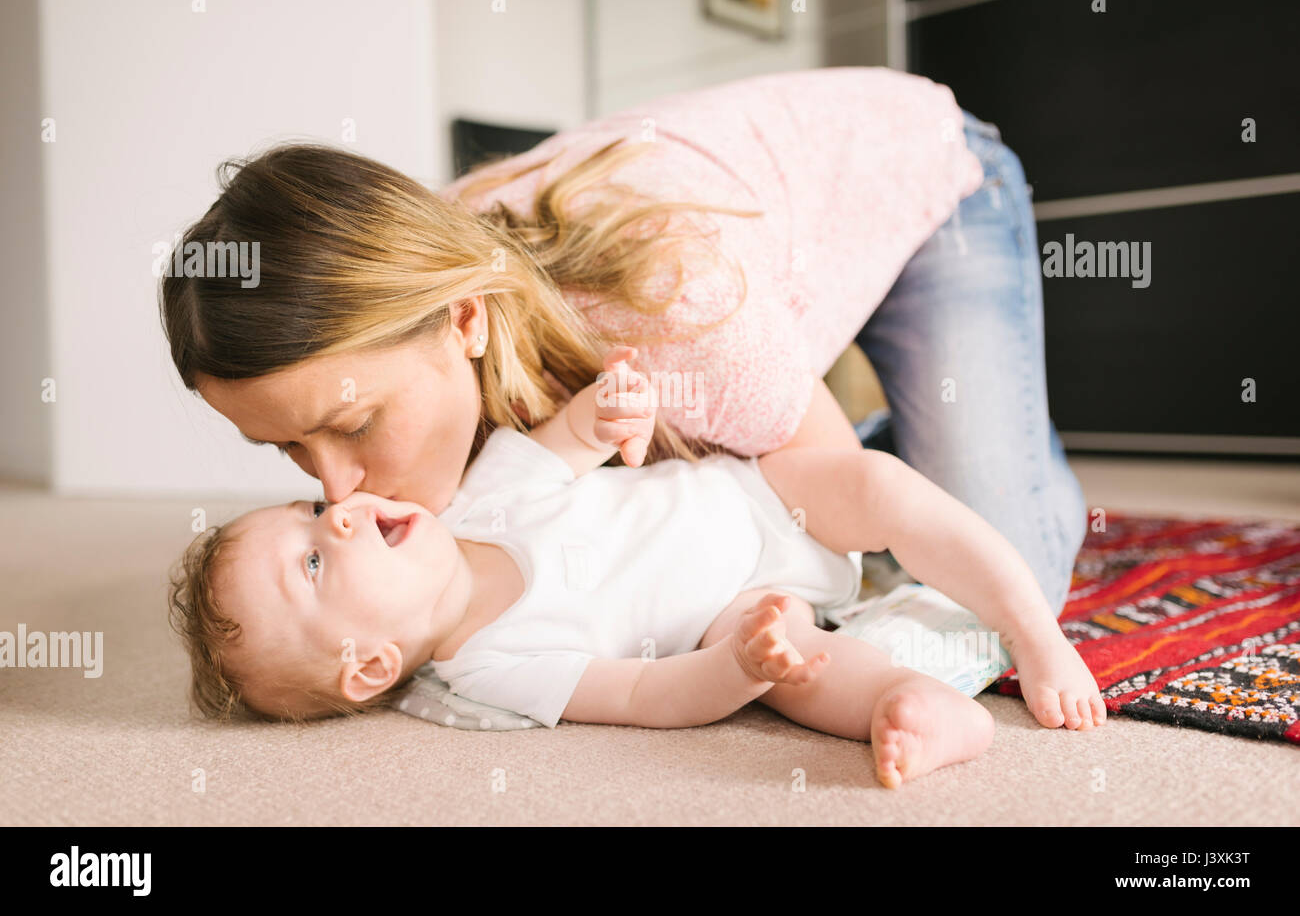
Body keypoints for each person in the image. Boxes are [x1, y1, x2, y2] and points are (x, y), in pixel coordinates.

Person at [160, 66, 1085, 619]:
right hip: (743, 258)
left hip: (921, 171)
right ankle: (802, 398)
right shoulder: (422, 290)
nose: (333, 491)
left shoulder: (670, 303)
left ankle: (876, 419)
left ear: (467, 322)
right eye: (286, 447)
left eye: (353, 424)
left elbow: (833, 517)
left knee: (1004, 575)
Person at [166, 347, 1104, 789]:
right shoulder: (495, 668)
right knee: (803, 676)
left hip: (770, 495)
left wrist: (608, 411)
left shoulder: (481, 499)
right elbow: (649, 693)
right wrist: (742, 662)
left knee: (884, 482)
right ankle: (926, 710)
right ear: (369, 664)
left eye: (314, 513)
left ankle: (1035, 632)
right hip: (737, 605)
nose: (346, 508)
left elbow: (569, 440)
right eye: (319, 560)